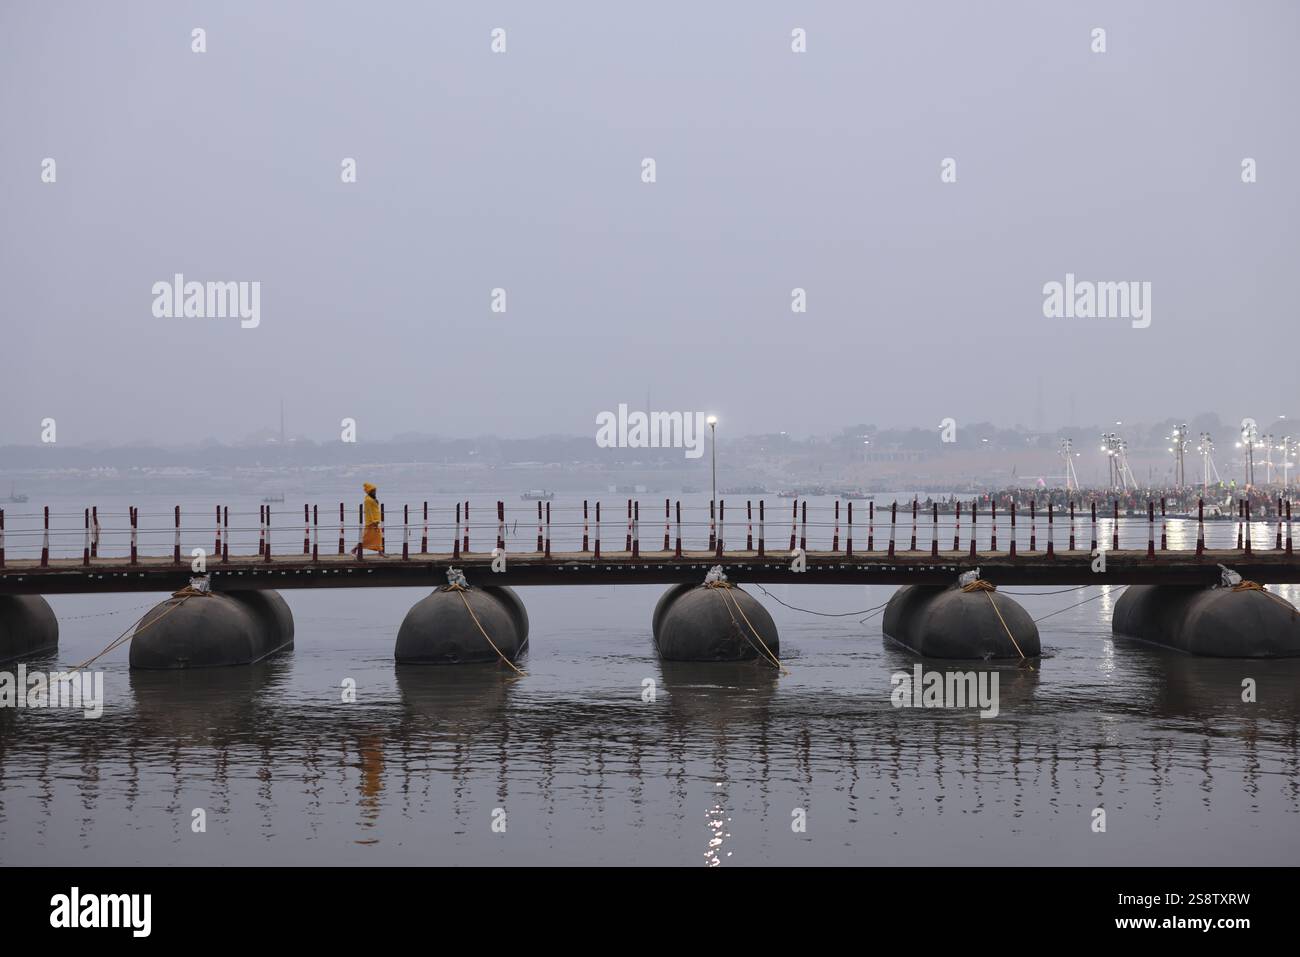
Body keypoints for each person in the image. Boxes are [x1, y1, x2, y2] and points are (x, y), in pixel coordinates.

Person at [355, 482, 385, 556]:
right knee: (366, 538)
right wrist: (373, 521)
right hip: (371, 522)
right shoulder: (368, 500)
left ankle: (380, 552)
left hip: (375, 521)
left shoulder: (372, 499)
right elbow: (369, 511)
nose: (375, 492)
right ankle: (354, 550)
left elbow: (374, 509)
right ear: (369, 491)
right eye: (373, 491)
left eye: (375, 491)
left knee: (378, 536)